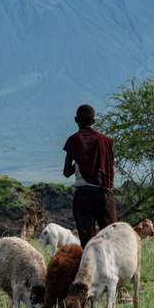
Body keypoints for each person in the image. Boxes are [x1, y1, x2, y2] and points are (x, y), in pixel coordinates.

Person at [62, 104, 117, 247]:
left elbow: (67, 172)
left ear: (76, 120)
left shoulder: (73, 140)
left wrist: (79, 162)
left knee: (88, 243)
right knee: (111, 238)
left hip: (83, 195)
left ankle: (90, 269)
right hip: (103, 194)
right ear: (94, 121)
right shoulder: (105, 141)